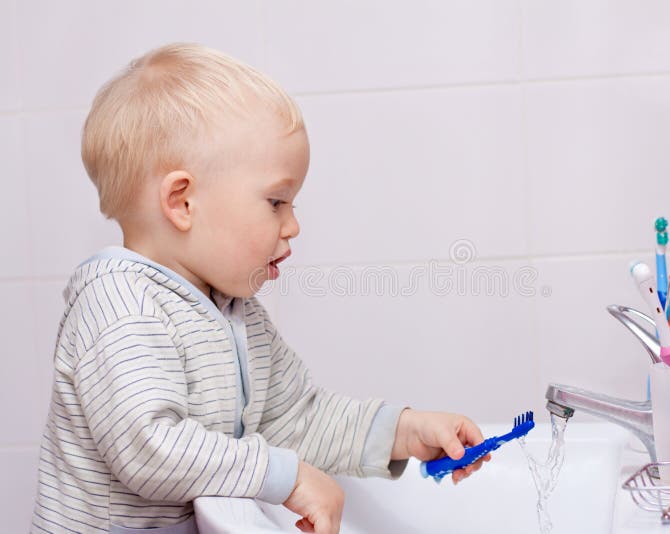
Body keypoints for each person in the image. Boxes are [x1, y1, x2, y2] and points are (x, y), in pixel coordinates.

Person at [31, 42, 489, 534]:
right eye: (276, 202)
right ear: (182, 202)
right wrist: (284, 478)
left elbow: (294, 420)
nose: (292, 226)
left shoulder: (234, 311)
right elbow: (148, 448)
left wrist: (402, 430)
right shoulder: (119, 305)